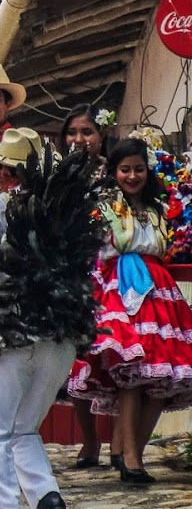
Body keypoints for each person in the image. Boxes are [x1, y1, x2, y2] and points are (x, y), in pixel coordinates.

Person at [0, 128, 88, 509]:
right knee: (23, 429)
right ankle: (47, 497)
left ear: (9, 172)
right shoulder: (70, 210)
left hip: (10, 330)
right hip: (62, 333)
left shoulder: (0, 207)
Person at [68, 138, 192, 484]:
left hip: (159, 292)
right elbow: (97, 250)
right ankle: (130, 457)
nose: (132, 175)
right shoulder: (104, 206)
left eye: (138, 168)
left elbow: (166, 247)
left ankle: (128, 448)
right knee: (132, 370)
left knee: (162, 377)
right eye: (125, 169)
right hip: (120, 290)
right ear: (115, 172)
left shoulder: (158, 209)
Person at [58, 103, 112, 471]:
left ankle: (122, 441)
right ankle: (89, 438)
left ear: (101, 136)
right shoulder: (57, 176)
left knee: (114, 354)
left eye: (87, 132)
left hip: (109, 272)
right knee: (77, 358)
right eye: (72, 133)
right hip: (71, 273)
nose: (79, 140)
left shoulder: (116, 174)